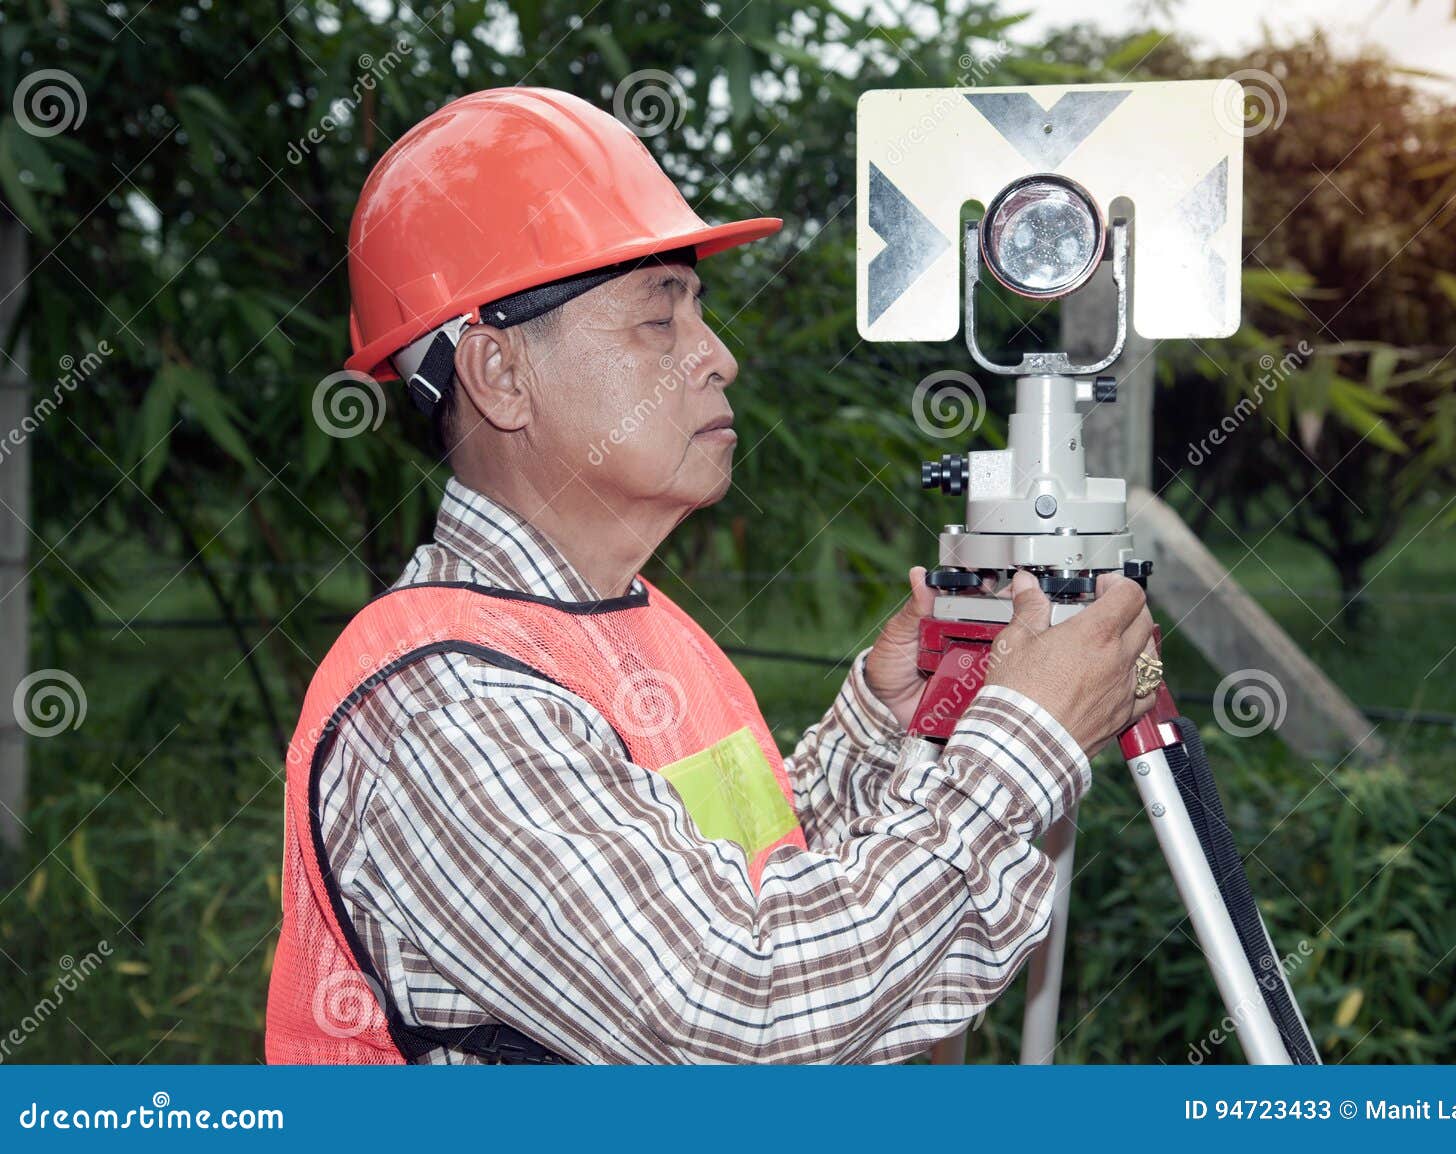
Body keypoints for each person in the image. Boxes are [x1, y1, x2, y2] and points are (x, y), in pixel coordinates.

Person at [265, 87, 1156, 1065]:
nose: (719, 358)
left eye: (701, 315)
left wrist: (883, 723)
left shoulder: (623, 620)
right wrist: (1023, 745)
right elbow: (738, 1015)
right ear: (499, 376)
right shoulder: (436, 701)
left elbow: (731, 876)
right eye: (660, 321)